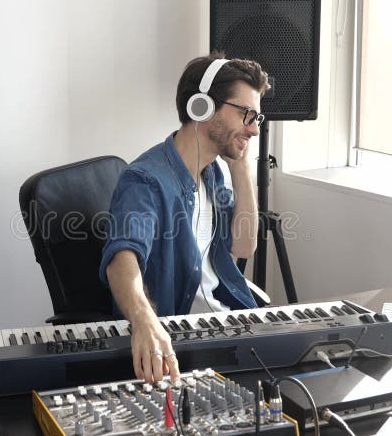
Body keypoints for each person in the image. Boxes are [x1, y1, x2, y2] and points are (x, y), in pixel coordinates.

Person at [99, 52, 269, 385]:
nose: (253, 129)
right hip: (179, 343)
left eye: (257, 119)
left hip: (221, 325)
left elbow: (245, 246)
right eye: (247, 114)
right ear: (202, 107)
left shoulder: (212, 175)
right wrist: (145, 321)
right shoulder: (146, 181)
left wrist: (239, 166)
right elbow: (122, 260)